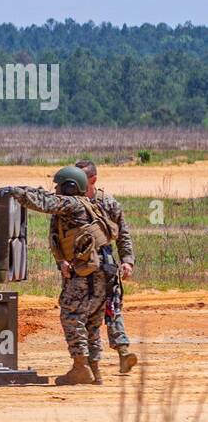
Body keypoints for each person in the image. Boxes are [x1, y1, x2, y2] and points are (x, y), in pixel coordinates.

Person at [0, 165, 120, 386]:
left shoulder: (71, 204)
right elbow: (45, 196)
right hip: (103, 272)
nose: (56, 189)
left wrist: (14, 192)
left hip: (85, 273)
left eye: (59, 186)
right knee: (92, 323)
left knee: (72, 317)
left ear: (70, 187)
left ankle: (80, 368)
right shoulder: (88, 205)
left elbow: (44, 202)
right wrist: (22, 189)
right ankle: (94, 370)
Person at [74, 159, 138, 374]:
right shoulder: (70, 203)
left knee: (112, 307)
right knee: (87, 315)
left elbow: (123, 234)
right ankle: (91, 364)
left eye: (81, 177)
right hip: (81, 266)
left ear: (93, 180)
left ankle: (123, 352)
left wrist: (127, 261)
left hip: (106, 264)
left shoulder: (108, 203)